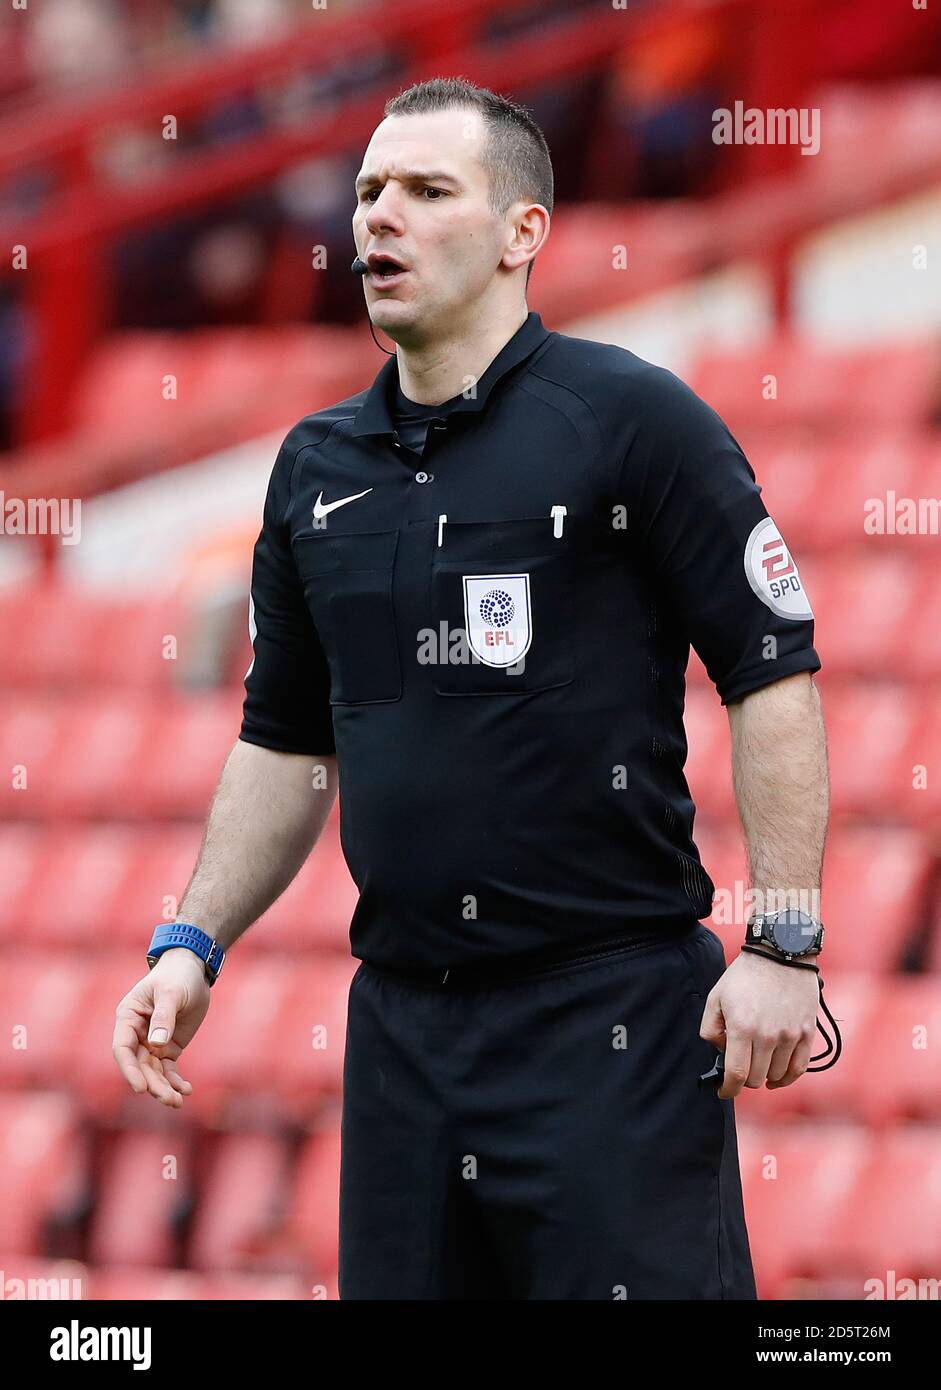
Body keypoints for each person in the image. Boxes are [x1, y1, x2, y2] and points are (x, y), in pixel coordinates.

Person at [113, 76, 829, 1301]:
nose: (377, 218)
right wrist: (194, 941)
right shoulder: (311, 467)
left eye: (426, 191)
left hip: (607, 1020)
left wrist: (783, 942)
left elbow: (772, 675)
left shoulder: (634, 422)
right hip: (402, 1037)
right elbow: (283, 742)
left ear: (521, 234)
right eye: (367, 192)